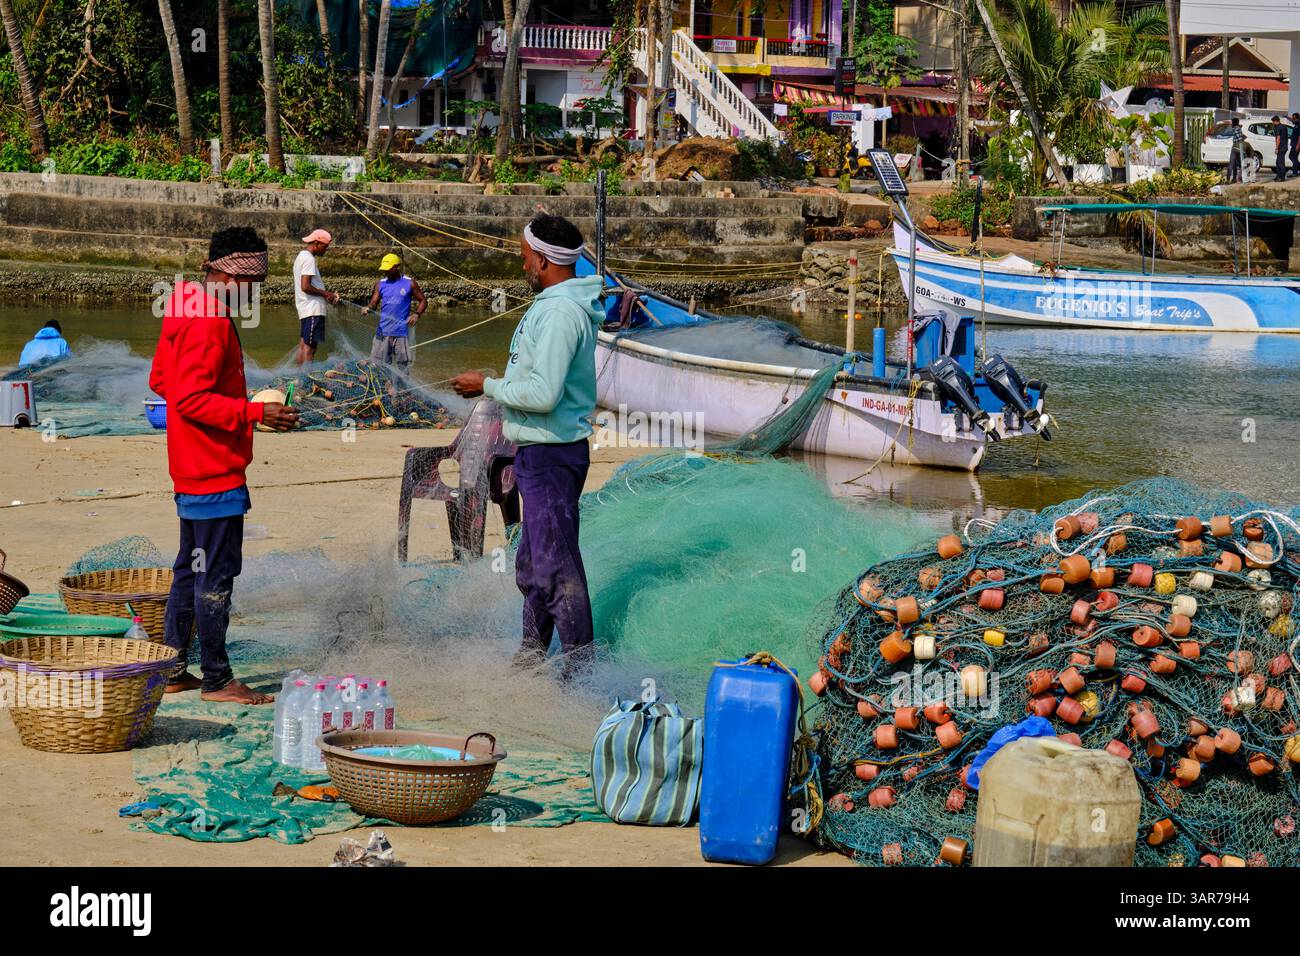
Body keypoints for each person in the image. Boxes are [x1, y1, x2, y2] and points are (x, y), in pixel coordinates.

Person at [449, 214, 604, 681]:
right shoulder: (557, 305)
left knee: (556, 567)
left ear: (541, 259)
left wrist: (489, 385)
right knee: (533, 561)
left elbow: (544, 395)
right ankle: (530, 654)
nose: (522, 267)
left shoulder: (559, 313)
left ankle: (580, 671)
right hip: (540, 453)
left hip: (552, 454)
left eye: (523, 258)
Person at [149, 227, 299, 704]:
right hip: (214, 470)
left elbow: (161, 381)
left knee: (189, 570)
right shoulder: (210, 320)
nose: (253, 295)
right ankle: (216, 678)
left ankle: (173, 669)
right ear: (233, 277)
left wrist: (224, 406)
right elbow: (192, 397)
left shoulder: (183, 302)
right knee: (215, 576)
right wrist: (254, 411)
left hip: (188, 463)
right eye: (252, 285)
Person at [363, 253, 426, 368]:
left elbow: (423, 301)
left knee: (403, 367)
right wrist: (368, 308)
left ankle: (401, 386)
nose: (385, 272)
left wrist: (417, 314)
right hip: (383, 332)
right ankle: (384, 386)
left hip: (401, 333)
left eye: (388, 269)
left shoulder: (409, 283)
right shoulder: (380, 284)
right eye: (384, 269)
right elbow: (373, 303)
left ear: (396, 267)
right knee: (378, 367)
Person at [293, 228, 340, 365]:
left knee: (303, 345)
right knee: (310, 348)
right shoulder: (309, 259)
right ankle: (306, 379)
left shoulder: (301, 256)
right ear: (316, 243)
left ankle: (298, 378)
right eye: (325, 247)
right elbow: (305, 286)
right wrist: (327, 294)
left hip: (305, 308)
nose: (325, 250)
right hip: (313, 309)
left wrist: (327, 295)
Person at [1226, 118, 1245, 184]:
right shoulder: (1238, 128)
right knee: (1239, 164)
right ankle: (1239, 179)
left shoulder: (1235, 129)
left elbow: (1239, 138)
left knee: (1232, 164)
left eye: (1232, 122)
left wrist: (1241, 138)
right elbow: (1241, 137)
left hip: (1236, 147)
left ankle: (1229, 179)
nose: (1231, 124)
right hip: (1240, 148)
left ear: (1234, 123)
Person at [1273, 116, 1288, 182]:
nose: (1272, 123)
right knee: (1278, 162)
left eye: (1273, 122)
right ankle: (1278, 176)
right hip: (1284, 147)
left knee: (1280, 163)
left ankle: (1281, 177)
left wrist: (1276, 148)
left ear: (1275, 121)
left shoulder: (1278, 127)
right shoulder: (1284, 126)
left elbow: (1278, 138)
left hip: (1281, 147)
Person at [1288, 113, 1300, 177]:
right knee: (1292, 156)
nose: (1293, 120)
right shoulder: (1296, 124)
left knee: (1293, 157)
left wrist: (1298, 145)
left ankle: (1295, 172)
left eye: (1294, 118)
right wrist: (1287, 117)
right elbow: (1292, 120)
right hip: (1294, 144)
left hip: (1296, 145)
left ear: (1298, 118)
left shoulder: (1299, 124)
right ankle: (1297, 170)